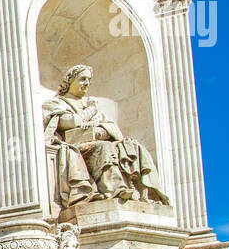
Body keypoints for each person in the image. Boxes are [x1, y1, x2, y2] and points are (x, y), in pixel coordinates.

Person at [42, 64, 169, 208]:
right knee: (104, 147)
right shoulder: (55, 103)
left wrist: (100, 129)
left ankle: (146, 193)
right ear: (70, 81)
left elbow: (112, 128)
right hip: (75, 146)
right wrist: (91, 110)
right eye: (82, 79)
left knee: (132, 146)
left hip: (96, 143)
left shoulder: (90, 107)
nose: (87, 84)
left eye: (89, 80)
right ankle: (115, 189)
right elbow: (71, 122)